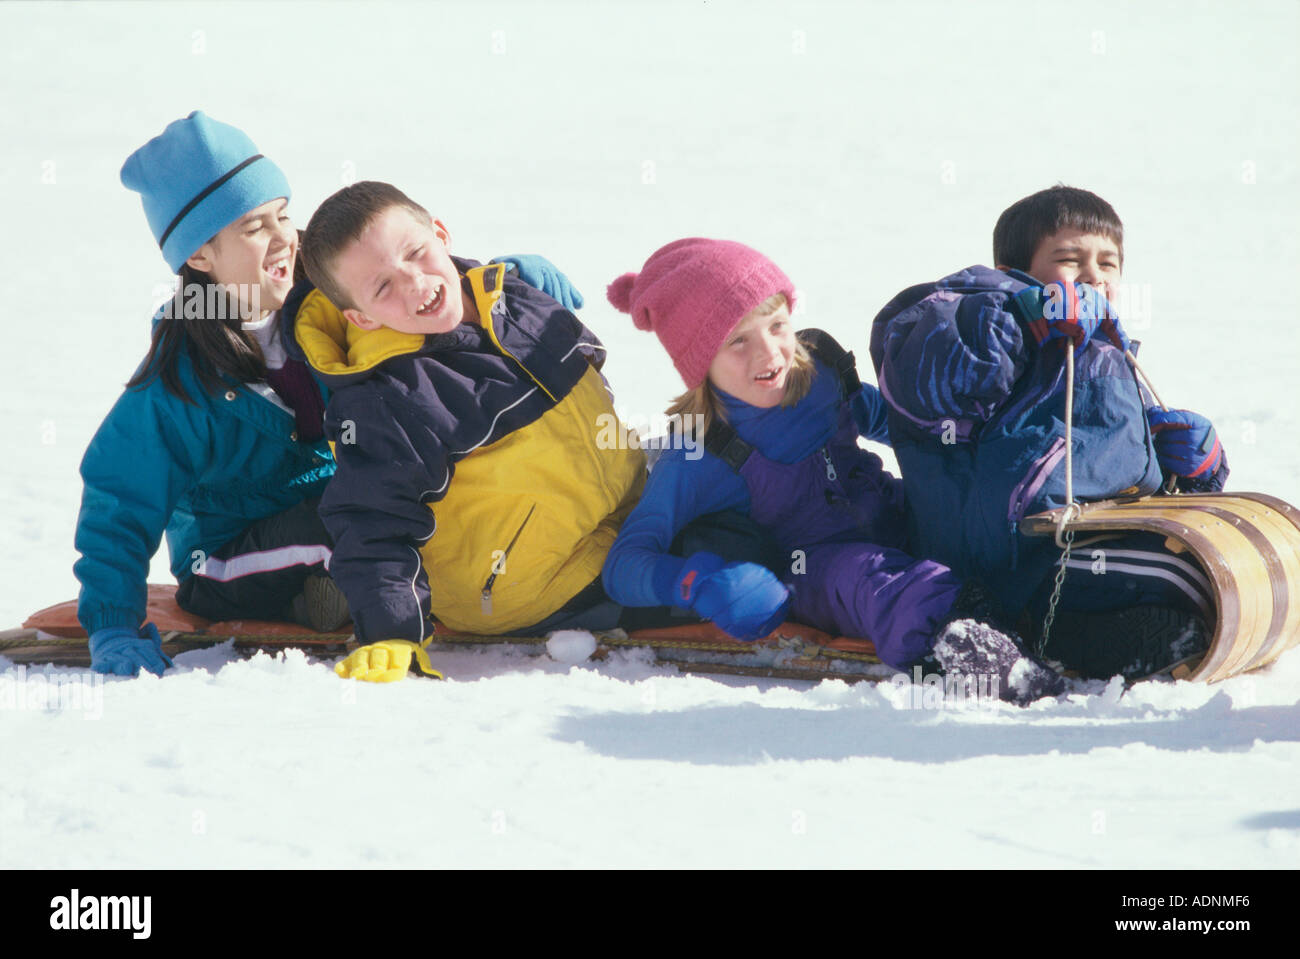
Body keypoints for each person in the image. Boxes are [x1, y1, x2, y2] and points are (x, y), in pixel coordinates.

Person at [75, 112, 580, 679]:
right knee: (351, 525)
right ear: (199, 256)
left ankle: (331, 590)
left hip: (348, 499)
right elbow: (119, 503)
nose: (282, 239)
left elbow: (403, 277)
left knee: (425, 492)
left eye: (282, 215)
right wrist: (114, 624)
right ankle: (371, 592)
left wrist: (494, 282)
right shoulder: (178, 385)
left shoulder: (323, 300)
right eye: (252, 227)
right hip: (225, 561)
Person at [599, 238, 1064, 705]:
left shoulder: (820, 376)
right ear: (699, 362)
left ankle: (1078, 601)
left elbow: (899, 425)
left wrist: (963, 451)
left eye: (777, 326)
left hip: (894, 513)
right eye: (737, 340)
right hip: (816, 567)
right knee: (873, 581)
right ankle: (972, 645)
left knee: (982, 522)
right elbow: (624, 564)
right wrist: (699, 584)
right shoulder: (700, 452)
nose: (770, 355)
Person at [293, 180, 664, 683]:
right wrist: (393, 632)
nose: (413, 283)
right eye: (381, 287)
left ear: (441, 235)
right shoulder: (387, 399)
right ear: (359, 315)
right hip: (533, 584)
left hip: (617, 507)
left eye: (416, 253)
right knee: (727, 550)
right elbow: (370, 520)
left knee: (732, 468)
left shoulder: (512, 298)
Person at [869, 185, 1228, 679]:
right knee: (1187, 579)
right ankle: (1028, 629)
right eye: (1069, 258)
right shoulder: (963, 317)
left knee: (1214, 572)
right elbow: (933, 381)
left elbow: (1121, 468)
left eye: (1108, 263)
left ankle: (1081, 635)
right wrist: (1023, 314)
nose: (1093, 276)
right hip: (1002, 559)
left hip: (1079, 545)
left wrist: (1194, 462)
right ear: (1015, 269)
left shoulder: (1103, 356)